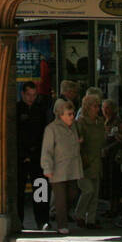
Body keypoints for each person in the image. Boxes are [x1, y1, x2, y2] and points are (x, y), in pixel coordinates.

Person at [41, 99, 82, 234]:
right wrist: (47, 168)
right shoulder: (51, 129)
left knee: (73, 193)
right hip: (58, 169)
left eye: (73, 113)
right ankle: (62, 224)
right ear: (61, 115)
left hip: (72, 167)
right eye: (69, 114)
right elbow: (47, 150)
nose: (72, 117)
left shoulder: (74, 127)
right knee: (60, 197)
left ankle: (60, 215)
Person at [16, 81, 49, 230]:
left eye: (34, 95)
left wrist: (36, 153)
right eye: (28, 95)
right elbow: (14, 134)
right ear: (23, 94)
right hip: (20, 157)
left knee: (40, 189)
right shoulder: (16, 109)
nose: (31, 98)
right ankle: (18, 220)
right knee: (18, 191)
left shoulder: (40, 110)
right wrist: (23, 154)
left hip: (37, 156)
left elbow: (43, 134)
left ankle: (42, 220)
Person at [74, 94, 105, 229]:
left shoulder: (99, 123)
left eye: (98, 106)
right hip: (83, 161)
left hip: (96, 160)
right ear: (87, 107)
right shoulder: (81, 123)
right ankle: (79, 214)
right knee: (88, 190)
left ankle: (90, 220)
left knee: (95, 192)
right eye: (94, 106)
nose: (97, 109)